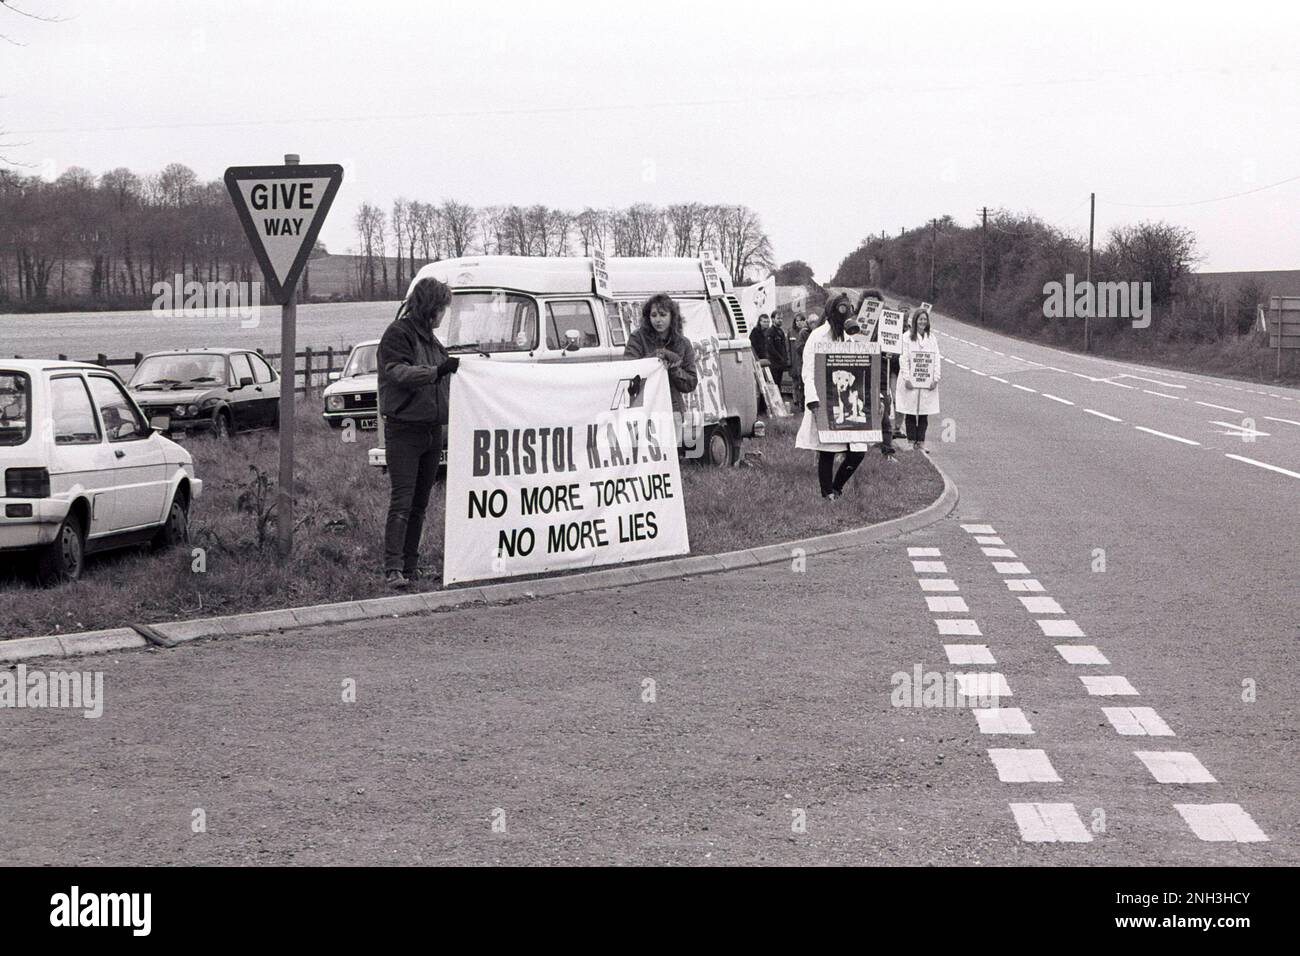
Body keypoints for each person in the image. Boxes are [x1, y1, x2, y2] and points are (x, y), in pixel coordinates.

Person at [378, 276, 459, 589]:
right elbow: (396, 373)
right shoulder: (398, 334)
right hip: (404, 430)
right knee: (403, 501)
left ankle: (410, 567)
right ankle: (392, 568)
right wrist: (436, 371)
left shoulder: (432, 341)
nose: (442, 316)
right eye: (440, 309)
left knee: (420, 504)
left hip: (431, 430)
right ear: (429, 307)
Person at [796, 292, 869, 499]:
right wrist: (812, 399)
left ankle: (837, 487)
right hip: (825, 400)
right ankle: (827, 494)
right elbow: (808, 371)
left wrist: (875, 397)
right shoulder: (817, 336)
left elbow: (860, 369)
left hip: (847, 401)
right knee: (827, 450)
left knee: (858, 451)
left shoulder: (849, 339)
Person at [625, 293, 699, 427]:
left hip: (672, 409)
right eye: (654, 315)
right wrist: (655, 358)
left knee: (671, 447)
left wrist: (674, 369)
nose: (658, 320)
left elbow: (691, 383)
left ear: (672, 316)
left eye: (663, 315)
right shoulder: (637, 338)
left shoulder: (683, 343)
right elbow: (629, 369)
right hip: (644, 409)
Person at [895, 307, 942, 454]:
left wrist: (935, 378)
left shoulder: (932, 338)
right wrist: (907, 378)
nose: (922, 322)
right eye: (920, 319)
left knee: (923, 413)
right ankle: (910, 441)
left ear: (927, 322)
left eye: (925, 319)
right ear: (915, 321)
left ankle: (920, 442)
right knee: (909, 411)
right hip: (911, 381)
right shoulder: (907, 337)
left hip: (926, 381)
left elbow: (936, 359)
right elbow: (903, 359)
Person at [767, 314, 790, 391]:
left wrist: (785, 359)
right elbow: (770, 348)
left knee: (779, 384)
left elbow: (784, 347)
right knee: (775, 384)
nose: (780, 320)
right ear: (773, 319)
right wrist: (780, 357)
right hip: (774, 364)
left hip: (780, 364)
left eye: (781, 318)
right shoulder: (770, 331)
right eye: (778, 318)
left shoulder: (781, 331)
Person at [789, 313, 807, 409]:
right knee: (795, 382)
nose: (798, 323)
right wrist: (789, 362)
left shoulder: (806, 332)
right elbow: (788, 347)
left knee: (802, 382)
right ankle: (795, 400)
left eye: (800, 320)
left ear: (804, 321)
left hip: (802, 361)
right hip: (794, 361)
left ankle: (801, 401)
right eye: (796, 321)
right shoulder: (791, 332)